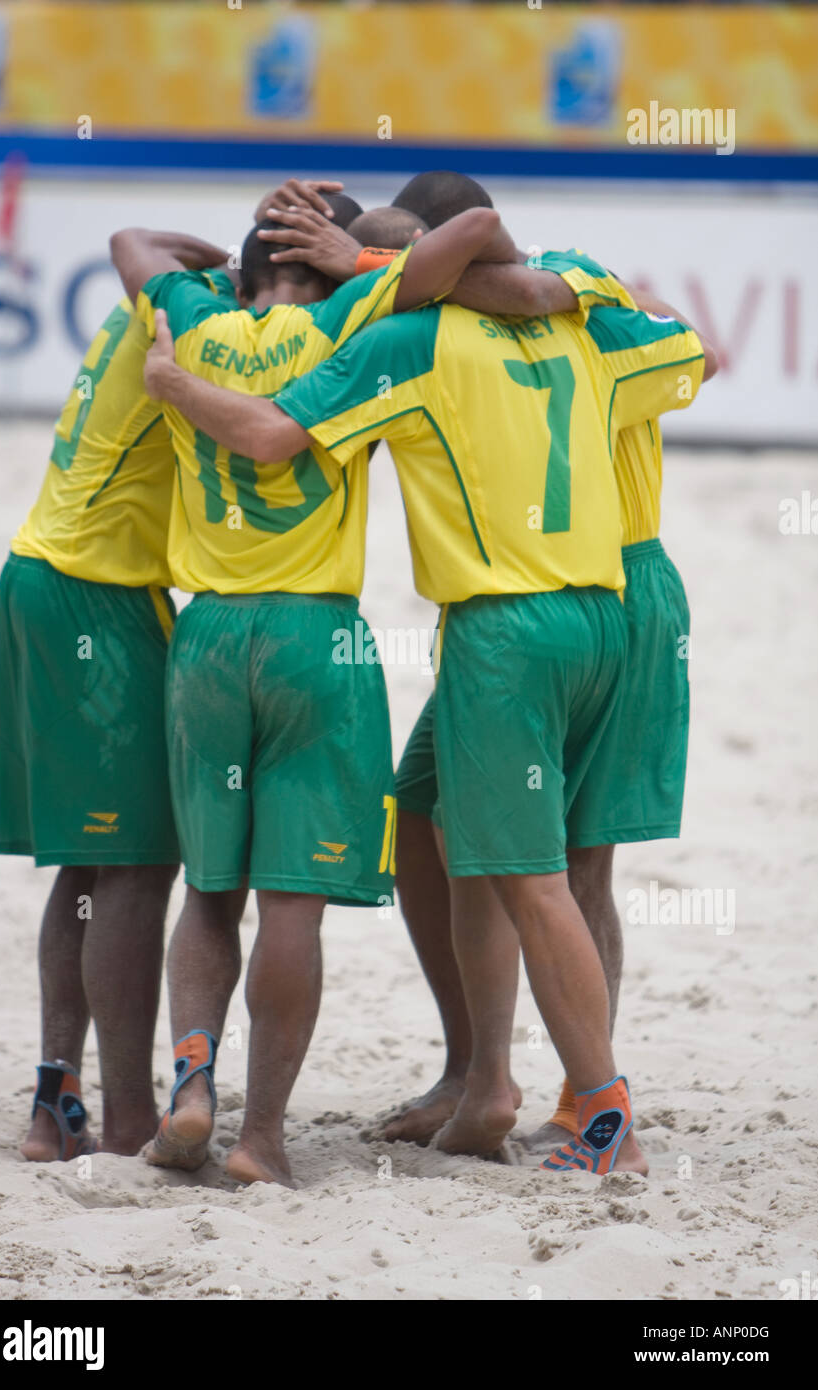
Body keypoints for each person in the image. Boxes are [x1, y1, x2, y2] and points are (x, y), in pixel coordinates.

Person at [139, 226, 716, 1175]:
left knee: (536, 881)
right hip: (611, 606)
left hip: (500, 633)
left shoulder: (406, 343)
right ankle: (486, 1080)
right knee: (446, 823)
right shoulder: (584, 315)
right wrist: (552, 287)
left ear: (408, 265)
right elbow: (693, 345)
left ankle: (602, 1118)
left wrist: (171, 382)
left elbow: (273, 435)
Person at [110, 199, 518, 1187]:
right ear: (325, 276)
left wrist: (232, 255)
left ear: (244, 276)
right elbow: (463, 237)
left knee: (211, 890)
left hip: (205, 631)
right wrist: (360, 251)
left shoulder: (190, 318)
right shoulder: (348, 318)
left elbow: (130, 243)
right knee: (292, 906)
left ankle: (194, 1086)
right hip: (312, 635)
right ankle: (263, 1139)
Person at [0, 228, 235, 1160]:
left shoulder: (160, 296)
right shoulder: (209, 325)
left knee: (90, 863)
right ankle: (130, 1114)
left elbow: (131, 236)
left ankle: (58, 1099)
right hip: (97, 587)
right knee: (137, 862)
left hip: (42, 574)